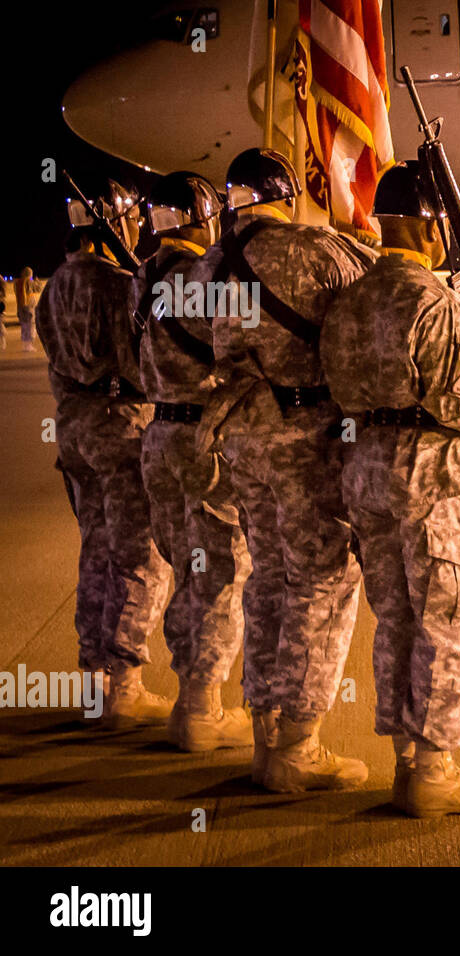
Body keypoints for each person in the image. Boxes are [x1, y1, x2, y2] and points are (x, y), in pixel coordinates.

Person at [320, 162, 460, 817]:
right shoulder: (431, 298)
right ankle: (435, 771)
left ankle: (407, 766)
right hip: (436, 478)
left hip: (368, 473)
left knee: (398, 622)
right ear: (429, 227)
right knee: (455, 623)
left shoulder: (351, 297)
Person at [192, 147, 375, 791]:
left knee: (267, 575)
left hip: (243, 439)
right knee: (322, 581)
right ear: (284, 192)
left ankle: (266, 731)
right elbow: (377, 297)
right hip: (305, 439)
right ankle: (300, 744)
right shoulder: (308, 249)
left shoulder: (209, 264)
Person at [34, 175, 174, 726]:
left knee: (95, 549)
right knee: (139, 556)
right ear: (114, 220)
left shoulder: (53, 288)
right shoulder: (119, 284)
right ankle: (126, 683)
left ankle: (91, 675)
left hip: (74, 428)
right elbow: (139, 365)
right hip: (121, 428)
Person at [133, 171, 252, 752]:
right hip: (201, 441)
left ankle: (190, 700)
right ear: (203, 217)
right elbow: (241, 349)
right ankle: (202, 708)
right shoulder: (201, 278)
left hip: (157, 436)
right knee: (218, 575)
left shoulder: (141, 279)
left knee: (187, 569)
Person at [16, 268, 38, 352]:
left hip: (21, 308)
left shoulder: (18, 282)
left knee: (24, 327)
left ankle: (25, 346)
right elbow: (38, 289)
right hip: (29, 307)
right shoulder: (29, 281)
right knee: (30, 326)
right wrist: (37, 281)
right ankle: (29, 346)